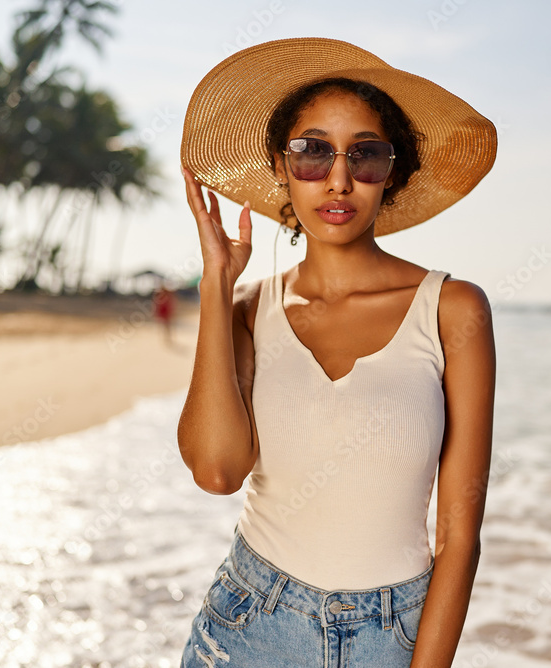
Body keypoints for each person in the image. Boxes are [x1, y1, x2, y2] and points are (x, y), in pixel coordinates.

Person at [176, 37, 497, 668]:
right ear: (280, 165)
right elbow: (217, 472)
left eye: (366, 155)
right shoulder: (247, 313)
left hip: (394, 635)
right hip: (247, 628)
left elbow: (459, 537)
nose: (339, 179)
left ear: (392, 172)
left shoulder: (454, 309)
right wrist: (217, 283)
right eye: (313, 152)